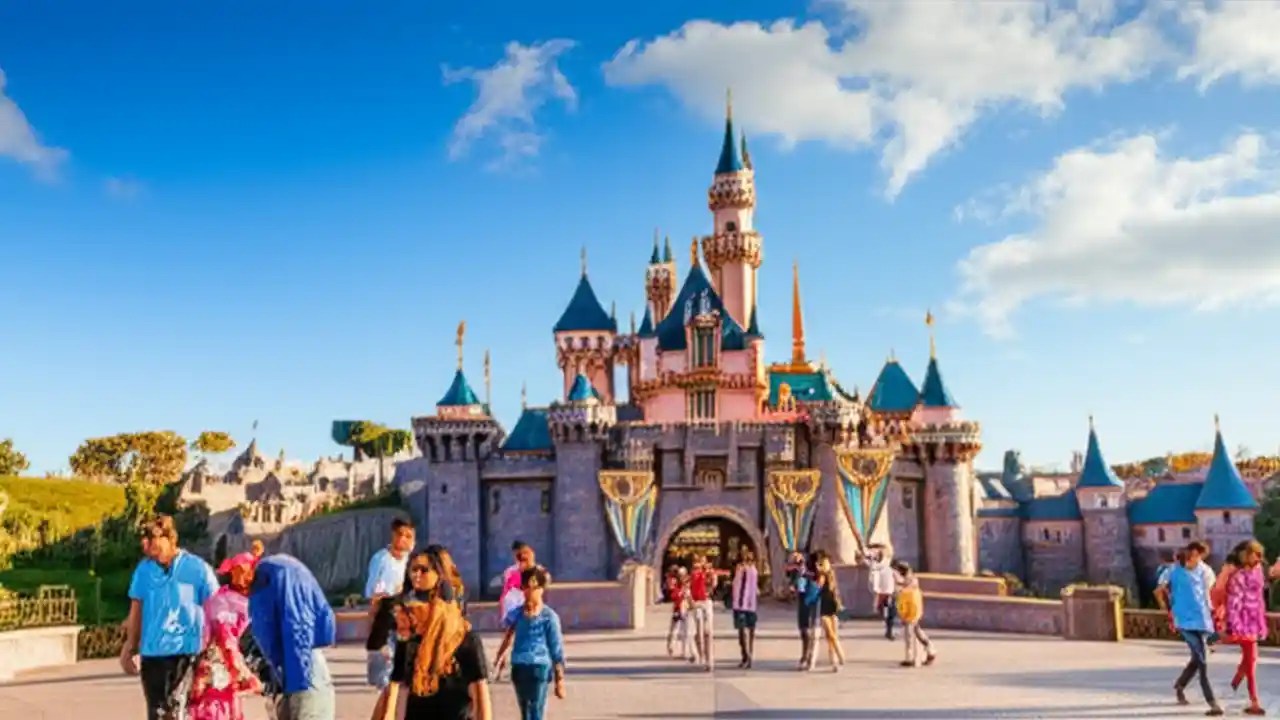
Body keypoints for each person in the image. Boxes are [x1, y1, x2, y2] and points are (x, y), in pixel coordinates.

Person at [120, 514, 220, 720]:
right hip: (153, 654)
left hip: (186, 652)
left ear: (168, 538)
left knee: (177, 710)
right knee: (157, 713)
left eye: (150, 537)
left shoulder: (198, 569)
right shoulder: (144, 571)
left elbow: (216, 609)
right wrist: (129, 646)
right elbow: (136, 610)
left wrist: (215, 649)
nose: (144, 543)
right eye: (143, 538)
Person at [386, 547, 492, 720]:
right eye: (413, 569)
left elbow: (480, 695)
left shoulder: (463, 638)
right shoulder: (409, 638)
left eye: (424, 570)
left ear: (440, 576)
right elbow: (400, 690)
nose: (416, 575)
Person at [248, 553, 338, 720]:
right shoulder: (279, 573)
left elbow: (296, 628)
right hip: (298, 668)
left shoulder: (274, 574)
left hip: (302, 671)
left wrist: (295, 676)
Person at [189, 552, 262, 720]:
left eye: (249, 572)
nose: (245, 577)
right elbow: (225, 639)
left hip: (224, 672)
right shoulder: (225, 602)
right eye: (239, 572)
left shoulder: (238, 600)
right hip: (216, 669)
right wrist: (243, 673)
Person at [493, 567, 566, 720]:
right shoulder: (517, 613)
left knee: (536, 710)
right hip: (519, 667)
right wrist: (500, 658)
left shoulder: (549, 617)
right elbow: (508, 636)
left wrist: (559, 680)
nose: (528, 591)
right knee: (525, 711)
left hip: (539, 668)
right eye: (525, 587)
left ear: (541, 589)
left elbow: (556, 648)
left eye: (533, 587)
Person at [1161, 540, 1223, 716]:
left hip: (1202, 619)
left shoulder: (1205, 571)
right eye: (1193, 553)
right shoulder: (1173, 570)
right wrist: (1169, 610)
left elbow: (1209, 594)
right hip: (1184, 621)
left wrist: (1215, 616)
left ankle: (1180, 685)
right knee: (1202, 661)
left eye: (1199, 555)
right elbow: (1160, 589)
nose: (1195, 557)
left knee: (1198, 658)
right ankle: (1213, 703)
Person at [365, 518, 416, 693]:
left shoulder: (414, 563)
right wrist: (373, 623)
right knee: (386, 673)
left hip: (409, 621)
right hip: (388, 619)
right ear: (394, 535)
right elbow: (375, 595)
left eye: (409, 536)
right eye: (401, 535)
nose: (405, 540)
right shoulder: (382, 560)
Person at [1225, 540, 1268, 716]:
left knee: (1250, 660)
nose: (1257, 557)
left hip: (1254, 619)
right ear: (1245, 555)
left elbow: (1260, 599)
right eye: (1254, 553)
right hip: (1242, 621)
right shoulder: (1238, 576)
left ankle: (1235, 681)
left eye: (1259, 554)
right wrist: (1234, 624)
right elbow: (1233, 603)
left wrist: (1261, 622)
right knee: (1251, 662)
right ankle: (1254, 701)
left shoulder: (1258, 572)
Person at [892, 560, 937, 667]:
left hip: (912, 609)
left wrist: (897, 581)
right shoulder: (905, 580)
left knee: (909, 634)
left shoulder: (911, 580)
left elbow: (905, 586)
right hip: (908, 608)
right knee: (917, 632)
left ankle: (911, 658)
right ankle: (931, 650)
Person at [786, 551, 821, 671]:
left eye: (798, 557)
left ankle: (808, 657)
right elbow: (792, 583)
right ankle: (805, 656)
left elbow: (818, 578)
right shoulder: (795, 571)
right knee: (804, 630)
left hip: (812, 600)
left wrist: (805, 572)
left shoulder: (811, 566)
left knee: (811, 631)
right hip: (803, 601)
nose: (796, 559)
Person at [813, 551, 846, 672]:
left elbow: (818, 587)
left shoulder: (826, 576)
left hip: (827, 607)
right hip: (829, 605)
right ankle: (836, 660)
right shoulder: (829, 575)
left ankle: (839, 658)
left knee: (831, 635)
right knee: (831, 635)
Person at [688, 554, 717, 671]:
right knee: (699, 633)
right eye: (697, 563)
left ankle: (709, 660)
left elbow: (713, 585)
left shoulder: (708, 573)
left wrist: (711, 575)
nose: (700, 565)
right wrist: (691, 603)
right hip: (696, 604)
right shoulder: (691, 575)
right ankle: (703, 656)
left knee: (708, 632)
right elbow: (687, 590)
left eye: (702, 562)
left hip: (706, 602)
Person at [731, 549, 759, 669]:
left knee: (743, 632)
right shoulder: (754, 570)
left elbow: (737, 586)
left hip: (741, 605)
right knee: (749, 632)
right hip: (750, 605)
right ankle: (749, 655)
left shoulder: (743, 569)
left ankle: (746, 656)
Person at [864, 544, 897, 640]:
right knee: (884, 609)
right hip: (880, 590)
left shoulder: (886, 561)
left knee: (891, 610)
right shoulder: (873, 564)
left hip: (888, 589)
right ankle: (888, 627)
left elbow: (887, 554)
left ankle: (889, 630)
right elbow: (862, 558)